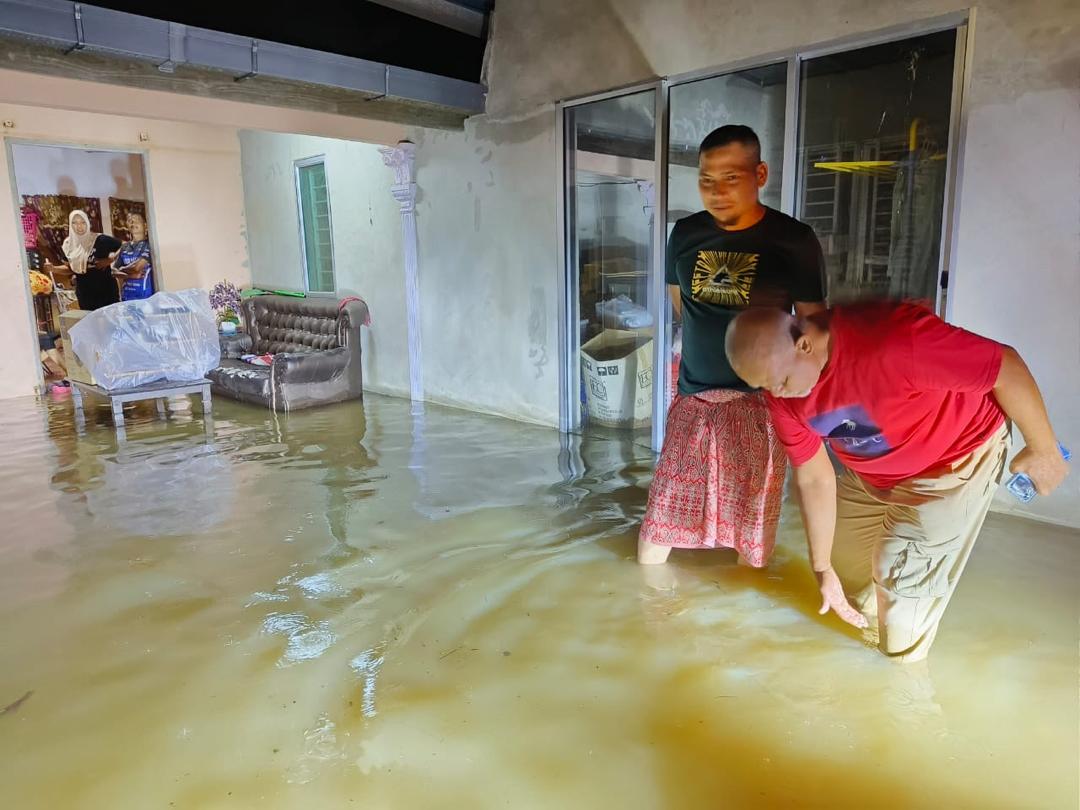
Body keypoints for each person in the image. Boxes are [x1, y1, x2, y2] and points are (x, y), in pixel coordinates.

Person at [725, 302, 1069, 661]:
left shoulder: (892, 341)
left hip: (954, 456)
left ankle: (902, 673)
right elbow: (814, 479)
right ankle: (874, 637)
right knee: (849, 579)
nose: (776, 395)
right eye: (764, 387)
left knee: (900, 584)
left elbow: (1005, 366)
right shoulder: (783, 396)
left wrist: (1043, 449)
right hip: (874, 471)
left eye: (779, 381)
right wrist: (822, 567)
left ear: (804, 345)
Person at [638, 125, 827, 568]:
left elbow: (815, 327)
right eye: (706, 179)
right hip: (693, 397)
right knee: (659, 523)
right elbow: (680, 304)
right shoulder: (685, 234)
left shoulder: (793, 240)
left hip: (760, 405)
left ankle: (742, 618)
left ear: (760, 174)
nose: (717, 191)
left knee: (750, 530)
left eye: (731, 178)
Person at [48, 210, 121, 311]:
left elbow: (124, 246)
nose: (79, 226)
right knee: (91, 324)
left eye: (82, 222)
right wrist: (54, 269)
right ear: (70, 225)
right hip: (85, 295)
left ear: (87, 222)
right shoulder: (68, 245)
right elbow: (71, 268)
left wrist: (110, 260)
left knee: (109, 324)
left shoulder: (100, 240)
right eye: (75, 223)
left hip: (106, 292)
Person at [112, 212, 155, 301]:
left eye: (137, 221)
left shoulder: (149, 244)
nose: (133, 223)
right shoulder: (124, 247)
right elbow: (113, 271)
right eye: (130, 221)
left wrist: (122, 269)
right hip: (126, 297)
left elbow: (137, 268)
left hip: (145, 298)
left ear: (145, 225)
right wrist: (130, 276)